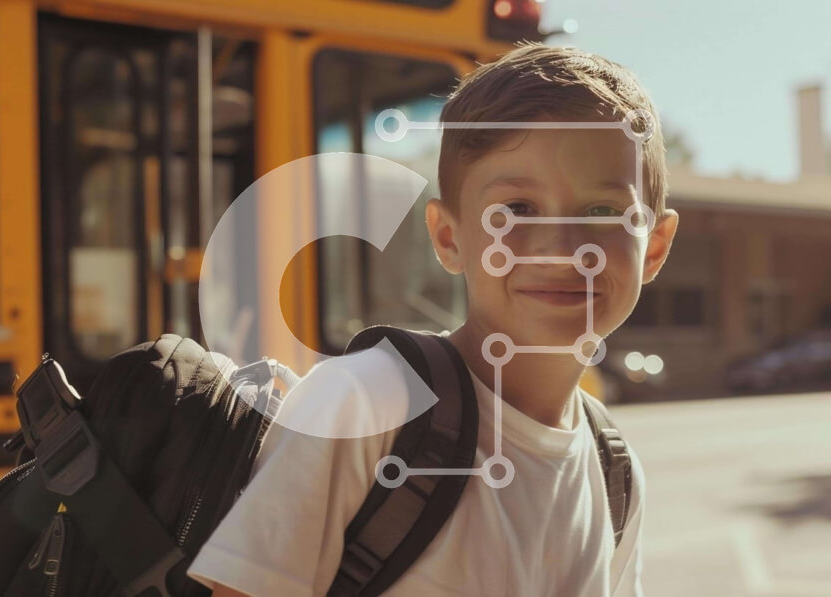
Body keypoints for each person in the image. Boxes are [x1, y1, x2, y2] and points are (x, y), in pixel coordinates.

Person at [187, 42, 679, 596]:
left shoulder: (616, 473)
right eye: (516, 209)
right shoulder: (368, 404)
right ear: (449, 237)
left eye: (603, 211)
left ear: (655, 246)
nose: (561, 247)